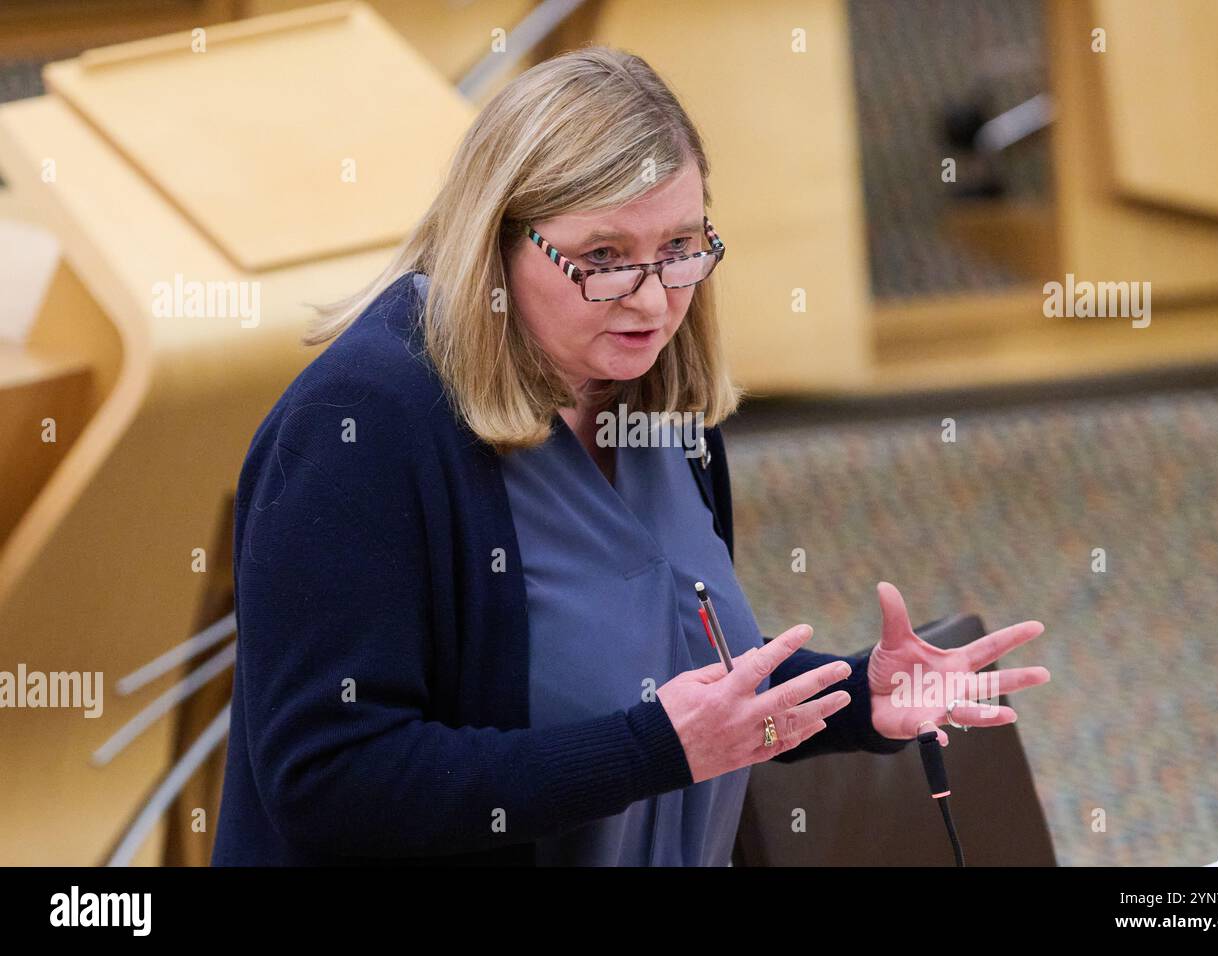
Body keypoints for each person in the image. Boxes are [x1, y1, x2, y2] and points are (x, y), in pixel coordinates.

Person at [211, 46, 1050, 867]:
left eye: (682, 247)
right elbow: (328, 782)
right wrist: (648, 752)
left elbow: (681, 666)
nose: (653, 300)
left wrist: (855, 695)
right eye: (603, 259)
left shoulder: (658, 398)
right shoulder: (360, 424)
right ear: (494, 241)